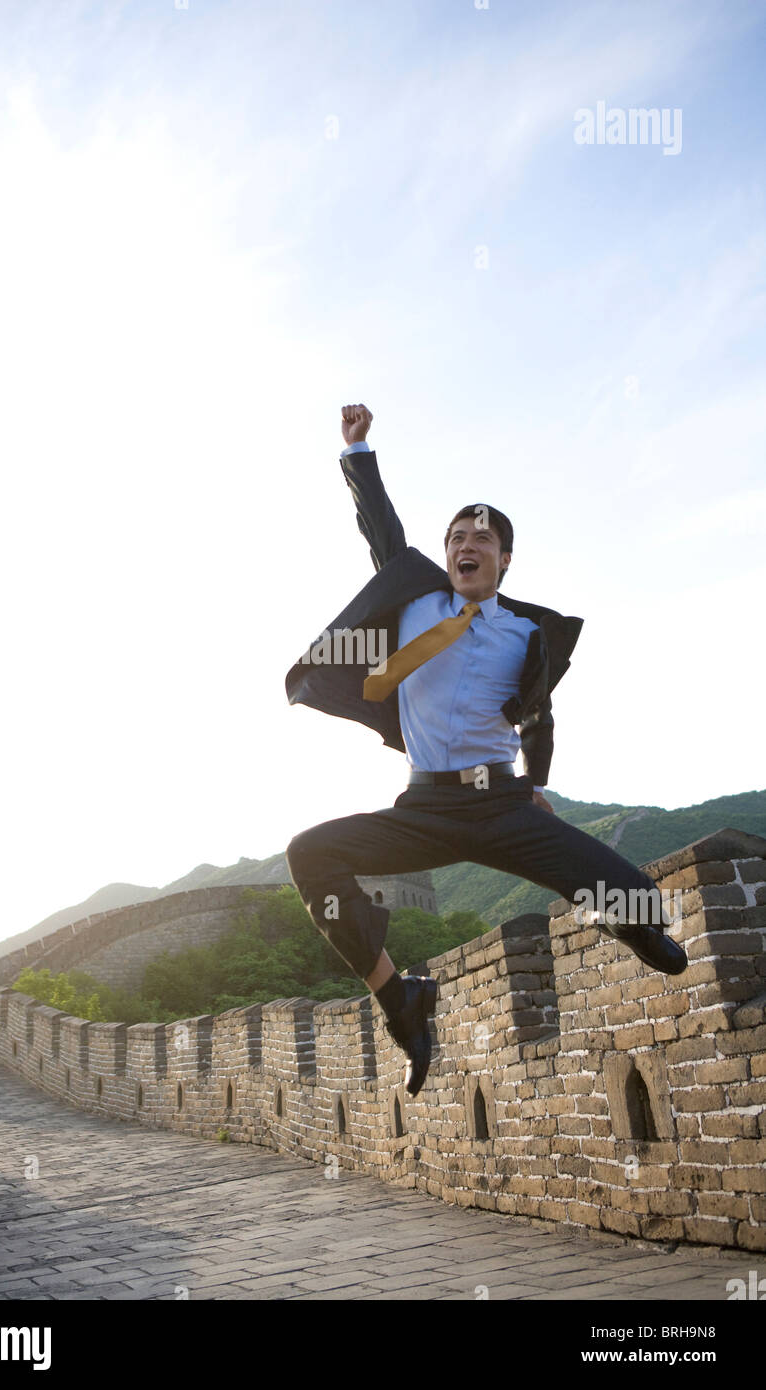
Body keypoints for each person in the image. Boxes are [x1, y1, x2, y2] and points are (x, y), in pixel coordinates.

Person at [285, 403, 687, 1097]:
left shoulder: (525, 635)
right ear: (447, 555)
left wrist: (538, 780)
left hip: (501, 803)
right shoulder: (416, 600)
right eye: (457, 538)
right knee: (311, 854)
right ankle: (401, 1001)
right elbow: (380, 526)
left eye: (482, 538)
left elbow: (539, 718)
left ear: (504, 557)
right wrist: (359, 451)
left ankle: (628, 919)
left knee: (649, 916)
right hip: (427, 805)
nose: (466, 546)